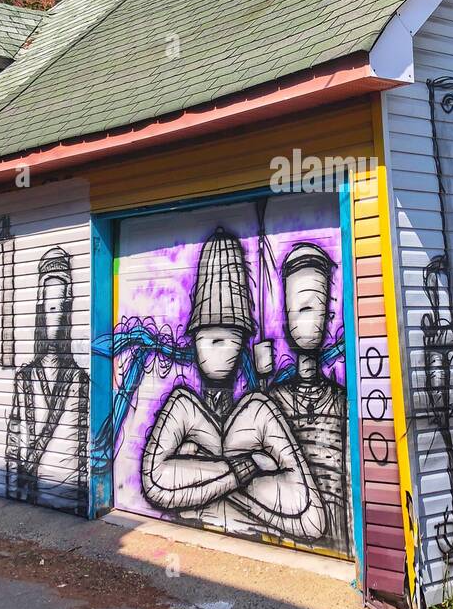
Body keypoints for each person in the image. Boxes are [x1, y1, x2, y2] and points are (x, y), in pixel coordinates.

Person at [140, 228, 326, 543]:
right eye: (208, 335)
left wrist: (199, 469)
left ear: (242, 342)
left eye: (229, 334)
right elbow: (153, 482)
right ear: (195, 339)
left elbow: (312, 518)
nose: (217, 344)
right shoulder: (184, 407)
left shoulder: (257, 412)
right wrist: (248, 468)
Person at [268, 242, 348, 550]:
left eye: (317, 308)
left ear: (330, 315)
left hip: (338, 534)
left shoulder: (341, 402)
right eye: (301, 309)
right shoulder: (273, 401)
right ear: (285, 319)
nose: (309, 320)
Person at [6, 247, 89, 512]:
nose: (54, 310)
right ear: (40, 308)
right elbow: (12, 442)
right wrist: (12, 491)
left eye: (60, 301)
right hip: (31, 497)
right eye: (49, 301)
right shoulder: (25, 378)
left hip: (72, 499)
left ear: (68, 306)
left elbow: (85, 445)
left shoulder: (79, 381)